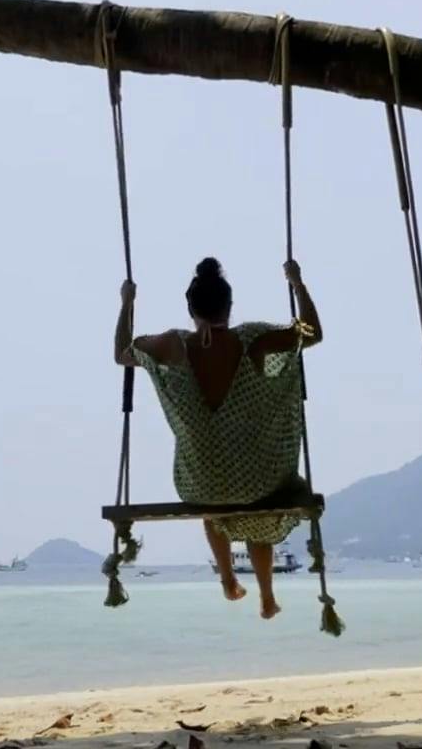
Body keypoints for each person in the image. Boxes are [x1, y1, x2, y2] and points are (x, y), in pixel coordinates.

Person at [115, 256, 322, 618]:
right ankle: (267, 598)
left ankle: (228, 579)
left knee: (214, 508)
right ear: (229, 306)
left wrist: (127, 304)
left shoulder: (172, 345)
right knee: (260, 508)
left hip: (199, 483)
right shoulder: (253, 339)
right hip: (260, 478)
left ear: (190, 308)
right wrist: (297, 283)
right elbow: (311, 332)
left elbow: (123, 353)